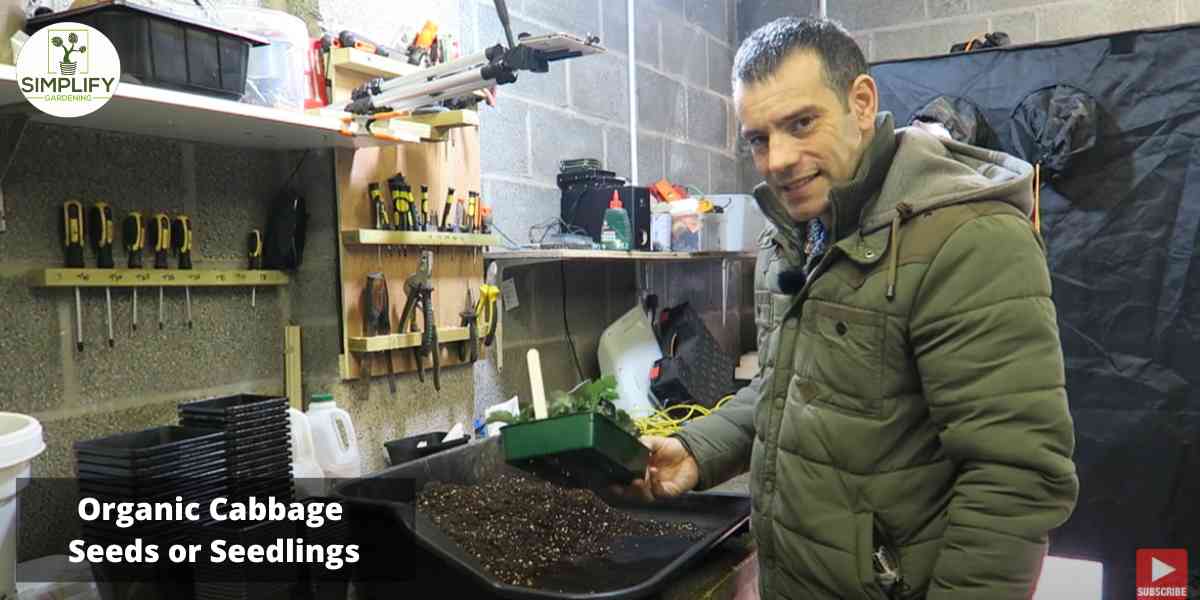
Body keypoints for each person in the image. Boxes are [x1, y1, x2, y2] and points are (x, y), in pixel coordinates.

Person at [627, 17, 1079, 600]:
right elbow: (785, 389)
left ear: (861, 103)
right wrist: (696, 451)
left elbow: (1015, 480)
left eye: (801, 123)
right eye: (758, 139)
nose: (778, 160)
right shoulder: (794, 233)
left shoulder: (968, 237)